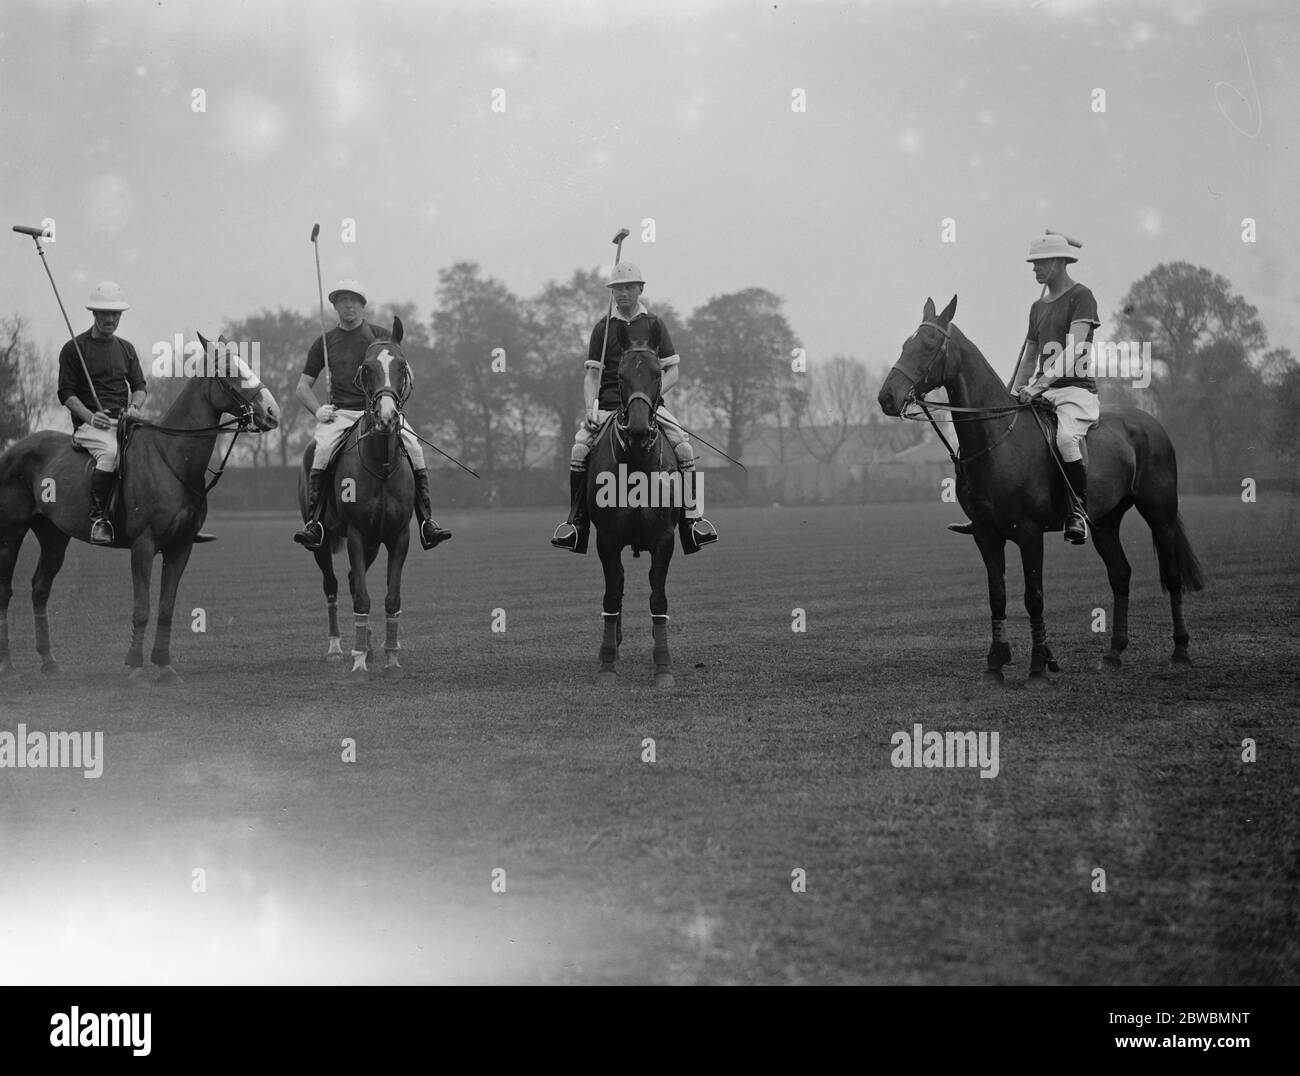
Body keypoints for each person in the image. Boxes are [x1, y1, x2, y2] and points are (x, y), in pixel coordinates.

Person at [550, 263, 719, 555]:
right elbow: (591, 376)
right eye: (618, 288)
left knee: (684, 448)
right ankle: (577, 525)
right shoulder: (603, 328)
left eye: (629, 287)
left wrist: (649, 398)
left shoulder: (654, 324)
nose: (623, 293)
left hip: (650, 406)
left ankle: (692, 521)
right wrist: (591, 407)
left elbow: (673, 371)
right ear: (612, 293)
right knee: (579, 449)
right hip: (610, 405)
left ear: (641, 288)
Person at [949, 234, 1100, 543]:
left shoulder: (1082, 297)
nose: (1034, 270)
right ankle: (984, 513)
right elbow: (1031, 355)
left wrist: (1041, 384)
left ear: (1058, 263)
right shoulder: (1037, 307)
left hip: (1075, 391)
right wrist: (1015, 390)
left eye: (1040, 264)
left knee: (1067, 439)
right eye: (1033, 265)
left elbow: (1074, 350)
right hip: (1042, 392)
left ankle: (1078, 511)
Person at [292, 280, 452, 551]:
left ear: (362, 305)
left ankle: (427, 522)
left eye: (353, 300)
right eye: (342, 301)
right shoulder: (325, 342)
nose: (348, 305)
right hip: (341, 414)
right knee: (319, 452)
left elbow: (404, 372)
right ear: (335, 306)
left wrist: (394, 398)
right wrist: (318, 410)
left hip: (381, 411)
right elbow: (302, 387)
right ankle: (315, 524)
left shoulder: (380, 336)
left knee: (414, 447)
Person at [57, 282, 146, 546]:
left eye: (115, 314)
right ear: (94, 313)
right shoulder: (74, 348)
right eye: (105, 313)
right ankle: (98, 520)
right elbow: (66, 393)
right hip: (91, 426)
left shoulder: (126, 349)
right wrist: (88, 416)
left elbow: (140, 386)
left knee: (153, 450)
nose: (110, 319)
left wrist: (135, 407)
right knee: (109, 454)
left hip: (123, 421)